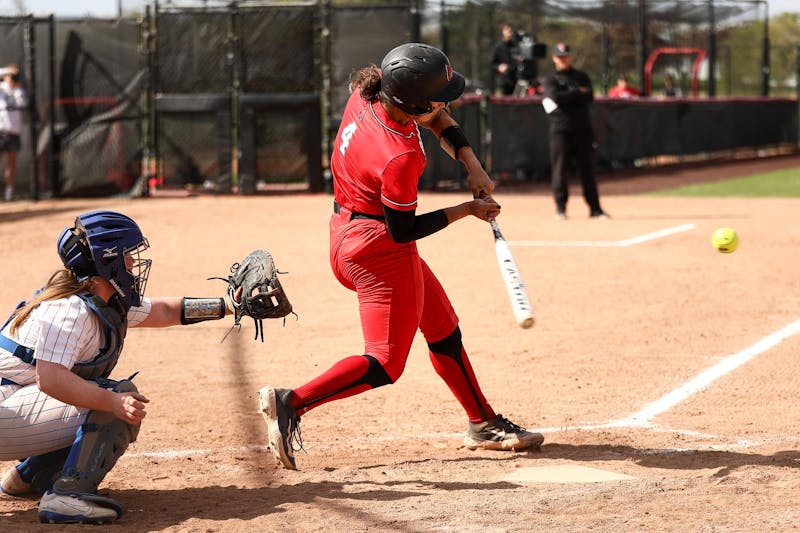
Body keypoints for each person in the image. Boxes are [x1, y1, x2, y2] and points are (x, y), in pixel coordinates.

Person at [257, 43, 543, 471]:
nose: (445, 102)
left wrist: (471, 163)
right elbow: (403, 230)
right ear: (413, 102)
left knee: (442, 325)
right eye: (437, 96)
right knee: (386, 362)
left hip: (349, 232)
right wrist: (467, 210)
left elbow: (438, 117)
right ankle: (291, 403)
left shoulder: (369, 93)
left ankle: (482, 422)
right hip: (377, 250)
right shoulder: (399, 157)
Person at [0, 210, 235, 524]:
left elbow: (164, 311)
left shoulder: (100, 300)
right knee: (114, 397)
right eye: (127, 255)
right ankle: (67, 496)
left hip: (12, 409)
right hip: (6, 411)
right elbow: (51, 380)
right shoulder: (69, 311)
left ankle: (30, 475)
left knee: (101, 395)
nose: (134, 263)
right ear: (106, 260)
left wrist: (230, 304)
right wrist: (113, 401)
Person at [542, 43, 608, 219]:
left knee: (588, 169)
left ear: (570, 57)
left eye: (566, 56)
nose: (563, 59)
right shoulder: (550, 78)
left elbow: (589, 96)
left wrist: (570, 95)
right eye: (560, 56)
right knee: (560, 169)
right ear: (554, 58)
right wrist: (576, 93)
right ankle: (561, 208)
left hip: (583, 129)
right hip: (560, 130)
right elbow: (555, 97)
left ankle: (595, 208)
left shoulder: (581, 76)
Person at [0, 64, 27, 201]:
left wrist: (17, 88)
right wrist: (7, 71)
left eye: (14, 75)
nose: (12, 77)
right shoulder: (1, 88)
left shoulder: (19, 89)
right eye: (10, 75)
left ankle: (8, 194)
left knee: (11, 163)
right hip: (1, 131)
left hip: (14, 132)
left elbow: (23, 104)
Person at [490, 23, 518, 96]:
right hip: (502, 82)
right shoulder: (498, 47)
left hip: (515, 80)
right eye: (507, 30)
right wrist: (499, 67)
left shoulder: (516, 46)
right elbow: (492, 64)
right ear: (503, 31)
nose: (510, 33)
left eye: (511, 31)